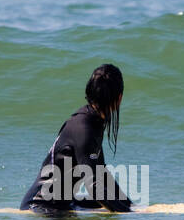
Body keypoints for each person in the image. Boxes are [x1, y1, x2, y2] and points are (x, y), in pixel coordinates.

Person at [19, 64, 132, 212]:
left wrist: (130, 204)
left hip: (63, 203)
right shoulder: (84, 128)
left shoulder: (93, 122)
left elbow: (101, 174)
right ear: (119, 98)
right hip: (42, 206)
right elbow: (95, 188)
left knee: (106, 209)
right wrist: (130, 214)